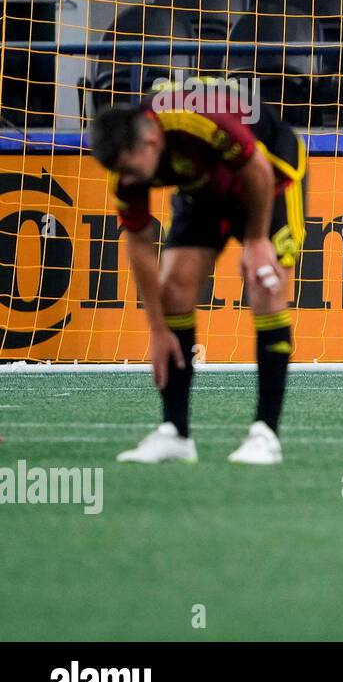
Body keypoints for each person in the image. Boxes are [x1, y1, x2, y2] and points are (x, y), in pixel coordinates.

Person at [89, 78, 306, 464]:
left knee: (265, 286)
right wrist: (157, 329)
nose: (127, 180)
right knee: (174, 291)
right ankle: (175, 432)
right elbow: (139, 244)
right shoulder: (125, 166)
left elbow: (256, 168)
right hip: (203, 187)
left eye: (131, 169)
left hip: (267, 173)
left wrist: (257, 240)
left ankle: (265, 433)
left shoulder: (196, 122)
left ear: (152, 143)